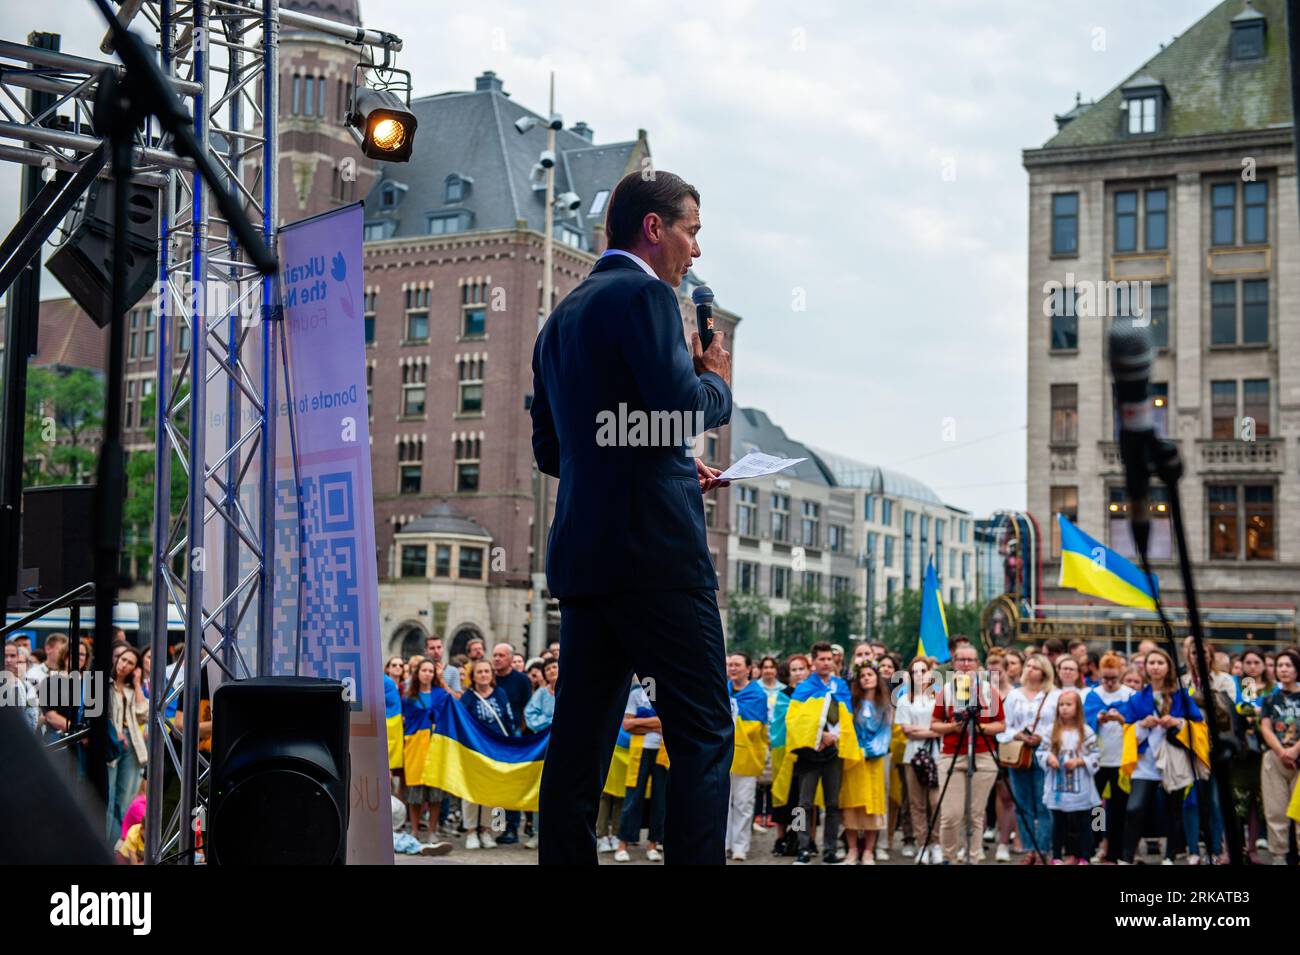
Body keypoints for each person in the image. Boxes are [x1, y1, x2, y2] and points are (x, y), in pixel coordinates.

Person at [532, 169, 733, 866]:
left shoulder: (560, 317)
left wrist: (670, 464)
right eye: (692, 231)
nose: (695, 252)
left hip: (588, 563)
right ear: (655, 228)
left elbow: (555, 450)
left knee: (578, 744)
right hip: (658, 558)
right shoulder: (647, 295)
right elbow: (682, 409)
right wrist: (716, 381)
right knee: (705, 728)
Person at [1118, 648, 1202, 865]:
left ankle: (1169, 856)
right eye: (1151, 662)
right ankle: (1126, 857)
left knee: (1174, 810)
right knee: (1134, 808)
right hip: (1145, 762)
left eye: (1160, 662)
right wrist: (1141, 726)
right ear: (1145, 667)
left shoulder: (1181, 696)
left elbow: (1198, 724)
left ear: (1168, 667)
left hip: (1174, 761)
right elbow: (1127, 729)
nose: (1155, 666)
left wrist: (1178, 723)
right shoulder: (1137, 698)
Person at [929, 643, 1006, 864]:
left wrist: (980, 727)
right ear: (954, 664)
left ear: (977, 664)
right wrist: (953, 727)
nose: (965, 664)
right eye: (960, 660)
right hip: (952, 753)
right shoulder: (945, 691)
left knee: (975, 814)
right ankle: (949, 857)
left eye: (969, 660)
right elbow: (934, 724)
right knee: (951, 814)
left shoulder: (990, 692)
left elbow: (1001, 724)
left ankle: (974, 856)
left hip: (982, 753)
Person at [785, 643, 856, 865]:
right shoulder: (804, 687)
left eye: (830, 659)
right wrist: (818, 736)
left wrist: (832, 737)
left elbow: (847, 715)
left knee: (832, 803)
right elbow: (795, 720)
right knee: (802, 804)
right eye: (822, 659)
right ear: (813, 663)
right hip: (809, 752)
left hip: (834, 750)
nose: (827, 662)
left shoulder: (841, 686)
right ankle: (801, 847)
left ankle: (830, 850)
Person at [998, 652, 1057, 864]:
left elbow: (1060, 724)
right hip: (1019, 753)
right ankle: (1029, 850)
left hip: (1044, 752)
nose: (1029, 669)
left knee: (1044, 804)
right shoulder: (1014, 695)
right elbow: (1005, 725)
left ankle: (1043, 850)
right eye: (1028, 666)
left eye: (1035, 667)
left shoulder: (1054, 695)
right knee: (1022, 804)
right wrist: (1017, 735)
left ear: (1044, 672)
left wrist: (1043, 737)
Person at [1039, 689, 1100, 864]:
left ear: (1077, 708)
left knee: (1084, 822)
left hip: (1080, 785)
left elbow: (1095, 755)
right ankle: (1057, 856)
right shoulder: (1051, 731)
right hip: (1057, 785)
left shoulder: (1086, 731)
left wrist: (1080, 761)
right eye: (1061, 705)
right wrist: (1049, 757)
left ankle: (1085, 856)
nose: (1064, 708)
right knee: (1058, 822)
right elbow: (1041, 751)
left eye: (1068, 704)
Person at [1085, 651, 1135, 863]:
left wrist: (1121, 718)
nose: (1110, 683)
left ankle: (1115, 850)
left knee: (1118, 807)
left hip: (1120, 759)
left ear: (1120, 675)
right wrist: (1099, 718)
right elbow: (1087, 720)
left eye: (1114, 678)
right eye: (1105, 678)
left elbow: (1135, 720)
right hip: (1098, 759)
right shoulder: (1093, 694)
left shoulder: (1129, 694)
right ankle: (1097, 844)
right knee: (1097, 806)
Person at [400, 660, 454, 855]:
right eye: (424, 670)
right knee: (415, 791)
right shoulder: (408, 696)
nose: (427, 674)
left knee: (435, 793)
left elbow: (455, 703)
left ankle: (432, 830)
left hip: (436, 744)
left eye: (431, 671)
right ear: (417, 673)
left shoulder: (441, 694)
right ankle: (414, 829)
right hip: (415, 745)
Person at [614, 678, 667, 863]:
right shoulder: (636, 695)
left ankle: (653, 844)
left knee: (660, 799)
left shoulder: (668, 694)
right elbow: (627, 725)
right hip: (640, 751)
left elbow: (669, 723)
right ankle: (623, 843)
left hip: (662, 753)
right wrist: (657, 723)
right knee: (633, 797)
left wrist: (641, 722)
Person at [843, 662, 891, 864]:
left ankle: (869, 851)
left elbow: (885, 733)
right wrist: (856, 749)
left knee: (873, 804)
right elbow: (846, 728)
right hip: (853, 760)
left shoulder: (885, 706)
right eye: (862, 675)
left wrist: (871, 750)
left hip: (874, 760)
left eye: (870, 674)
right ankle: (852, 850)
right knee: (852, 804)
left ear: (877, 678)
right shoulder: (852, 704)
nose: (866, 678)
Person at [897, 657, 941, 864]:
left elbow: (946, 726)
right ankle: (922, 843)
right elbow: (907, 730)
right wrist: (932, 731)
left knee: (936, 802)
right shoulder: (906, 699)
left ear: (930, 673)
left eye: (923, 671)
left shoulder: (939, 698)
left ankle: (937, 843)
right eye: (915, 672)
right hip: (913, 756)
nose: (919, 675)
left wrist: (928, 730)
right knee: (916, 803)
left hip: (937, 755)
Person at [725, 652, 769, 861]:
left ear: (749, 668)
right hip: (723, 754)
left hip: (747, 756)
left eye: (737, 665)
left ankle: (740, 845)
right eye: (730, 665)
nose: (732, 668)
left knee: (743, 803)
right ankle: (723, 843)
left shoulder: (757, 695)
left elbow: (757, 728)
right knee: (723, 802)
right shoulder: (721, 690)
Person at [1259, 648, 1300, 865]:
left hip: (1299, 756)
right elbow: (1266, 728)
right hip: (1275, 758)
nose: (1283, 670)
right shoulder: (1269, 698)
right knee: (1275, 810)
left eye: (1288, 665)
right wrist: (1282, 751)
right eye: (1279, 665)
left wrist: (1295, 750)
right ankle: (1278, 856)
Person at [490, 642, 533, 844]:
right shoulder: (488, 677)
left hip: (514, 735)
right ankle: (497, 826)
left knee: (512, 782)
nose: (497, 658)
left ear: (510, 658)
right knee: (496, 782)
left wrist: (520, 735)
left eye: (501, 655)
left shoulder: (521, 680)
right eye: (495, 655)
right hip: (491, 736)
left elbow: (527, 707)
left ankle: (513, 828)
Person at [106, 646, 149, 841]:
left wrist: (138, 683)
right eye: (123, 659)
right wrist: (115, 732)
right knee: (108, 796)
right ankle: (105, 842)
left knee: (124, 800)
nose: (124, 665)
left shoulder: (132, 689)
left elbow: (144, 713)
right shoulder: (103, 683)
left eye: (131, 663)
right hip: (111, 742)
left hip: (132, 744)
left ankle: (118, 846)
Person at [769, 654, 809, 856]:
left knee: (802, 798)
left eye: (802, 668)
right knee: (782, 795)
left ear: (808, 670)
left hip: (807, 752)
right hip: (784, 752)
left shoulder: (814, 693)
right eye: (794, 669)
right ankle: (780, 836)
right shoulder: (784, 694)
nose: (798, 673)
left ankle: (800, 836)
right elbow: (780, 721)